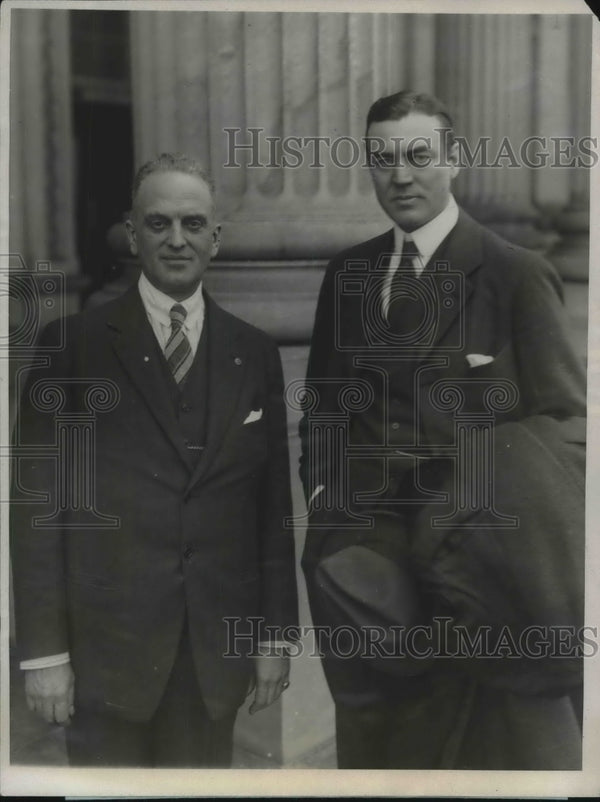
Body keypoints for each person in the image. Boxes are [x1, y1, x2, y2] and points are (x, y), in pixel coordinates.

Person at [300, 91, 586, 769]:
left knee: (487, 754)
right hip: (368, 571)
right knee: (381, 756)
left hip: (476, 573)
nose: (400, 175)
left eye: (419, 155)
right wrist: (324, 506)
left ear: (453, 161)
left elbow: (565, 423)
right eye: (382, 159)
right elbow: (323, 406)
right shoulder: (349, 275)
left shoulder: (513, 273)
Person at [11, 153, 298, 767]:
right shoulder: (69, 347)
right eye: (159, 223)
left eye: (193, 224)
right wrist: (44, 656)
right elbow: (36, 514)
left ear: (215, 239)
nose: (177, 239)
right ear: (132, 232)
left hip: (213, 656)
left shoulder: (254, 353)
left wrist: (274, 635)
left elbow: (271, 512)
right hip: (104, 658)